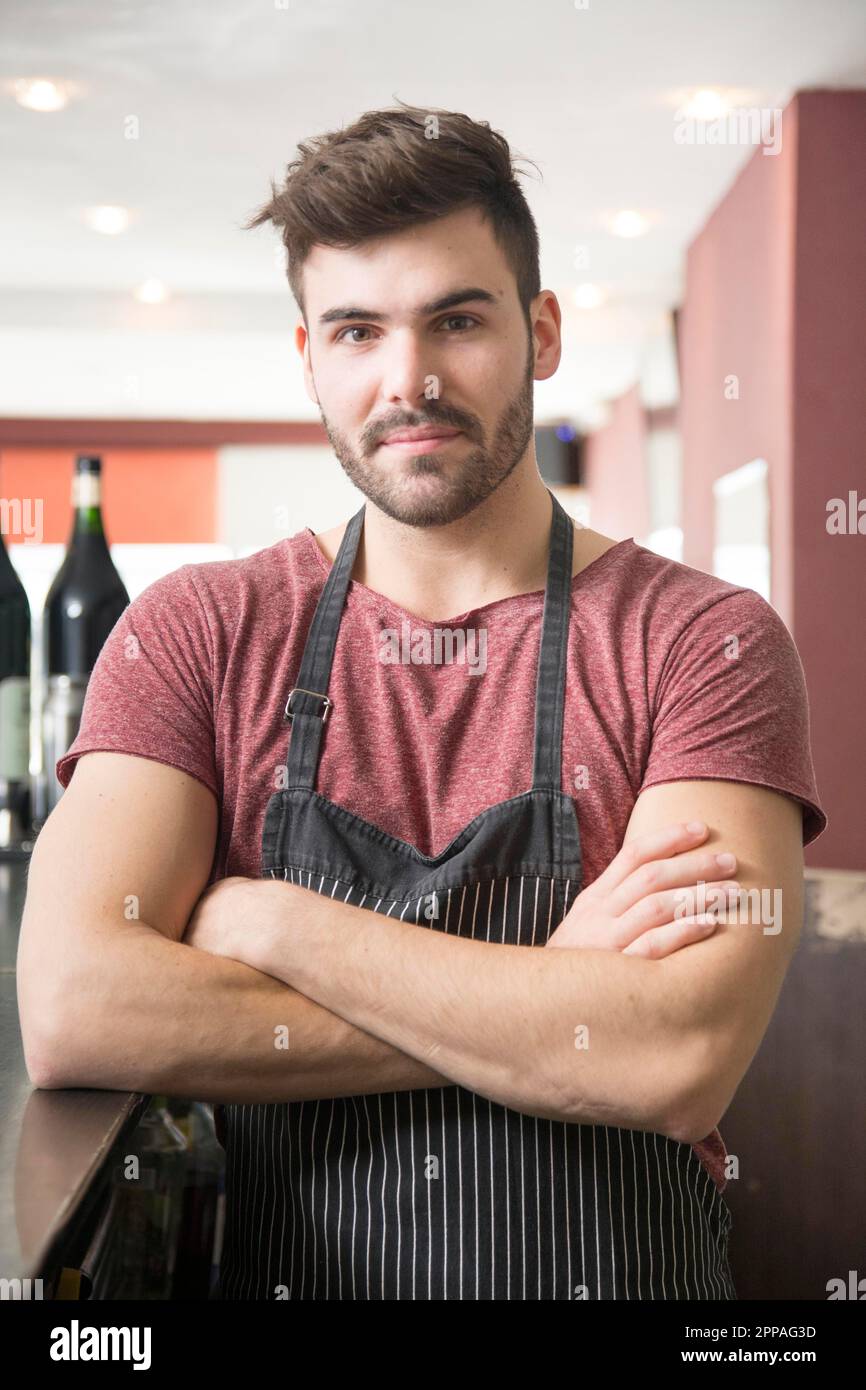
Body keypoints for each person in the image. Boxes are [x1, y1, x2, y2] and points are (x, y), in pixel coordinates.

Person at [19, 101, 826, 1301]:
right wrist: (557, 1007)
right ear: (308, 360)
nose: (410, 380)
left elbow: (672, 1054)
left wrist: (280, 928)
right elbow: (78, 1008)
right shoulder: (201, 631)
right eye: (356, 330)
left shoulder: (702, 642)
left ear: (540, 332)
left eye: (457, 318)